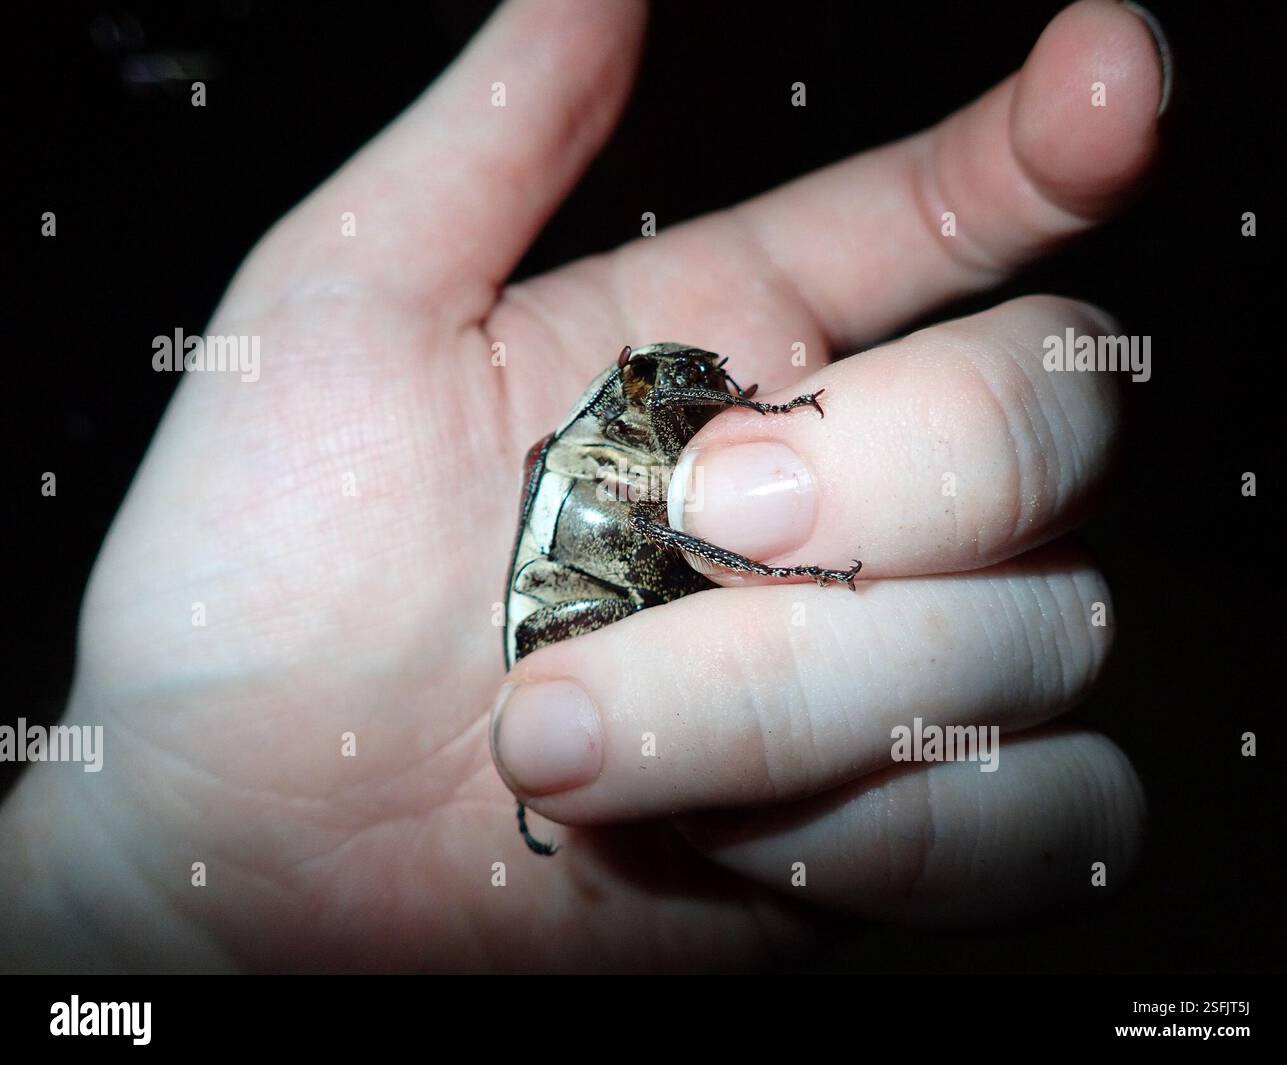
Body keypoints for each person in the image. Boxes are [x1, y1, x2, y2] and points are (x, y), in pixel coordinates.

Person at [1, 0, 1168, 970]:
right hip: (563, 608)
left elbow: (683, 452)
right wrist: (127, 902)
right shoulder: (604, 434)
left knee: (742, 518)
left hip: (589, 607)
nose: (698, 391)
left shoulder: (630, 421)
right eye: (679, 387)